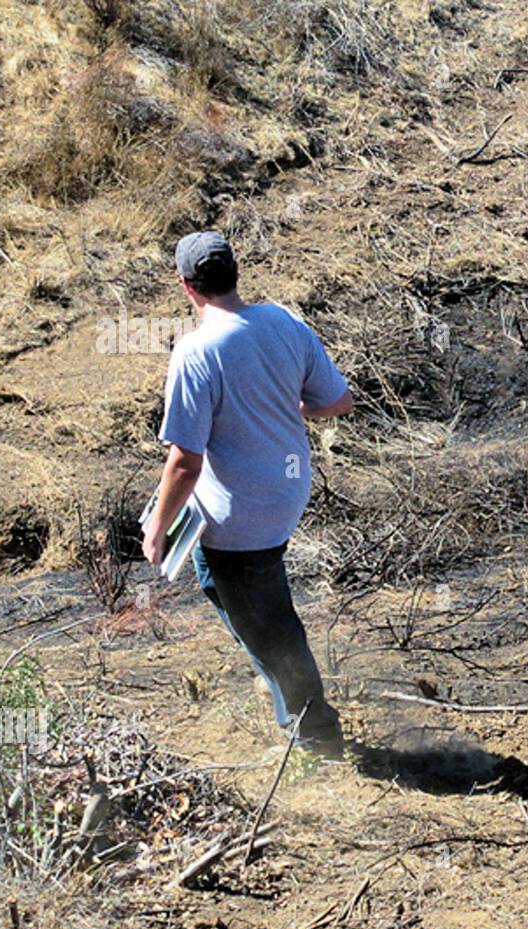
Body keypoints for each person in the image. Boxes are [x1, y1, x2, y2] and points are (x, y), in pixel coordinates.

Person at [142, 231, 355, 758]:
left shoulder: (196, 352)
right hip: (282, 493)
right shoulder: (282, 322)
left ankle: (316, 735)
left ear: (186, 287)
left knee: (270, 624)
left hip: (242, 514)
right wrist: (291, 408)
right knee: (230, 591)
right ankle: (294, 708)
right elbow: (339, 401)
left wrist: (155, 530)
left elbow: (185, 462)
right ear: (236, 273)